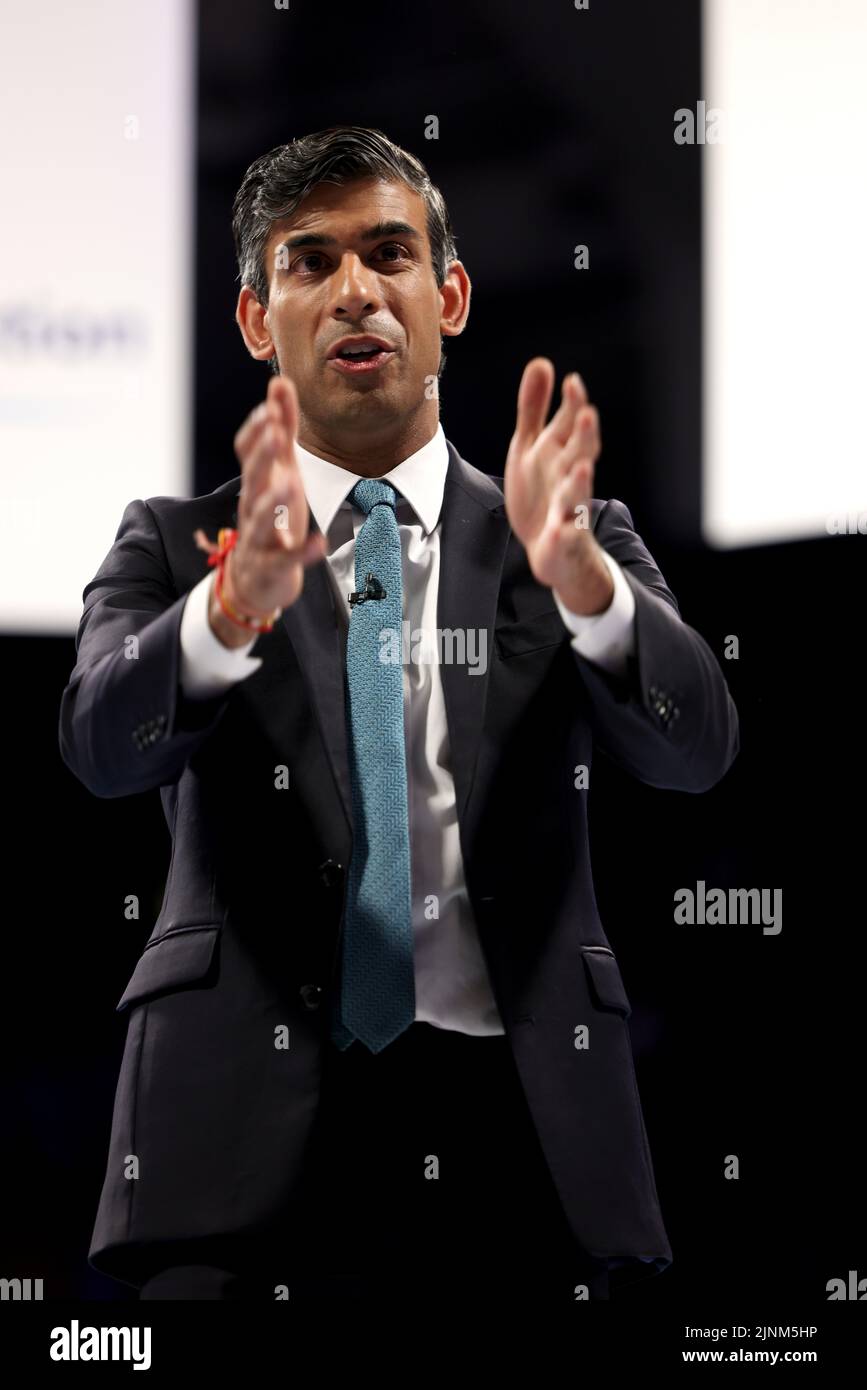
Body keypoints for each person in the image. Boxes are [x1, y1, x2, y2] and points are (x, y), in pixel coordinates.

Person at [58, 125, 739, 1305]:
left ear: (452, 295)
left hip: (523, 1145)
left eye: (389, 253)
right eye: (308, 262)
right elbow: (99, 748)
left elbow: (697, 750)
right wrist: (225, 613)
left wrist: (585, 587)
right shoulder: (174, 543)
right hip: (231, 1150)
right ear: (257, 321)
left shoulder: (574, 538)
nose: (355, 291)